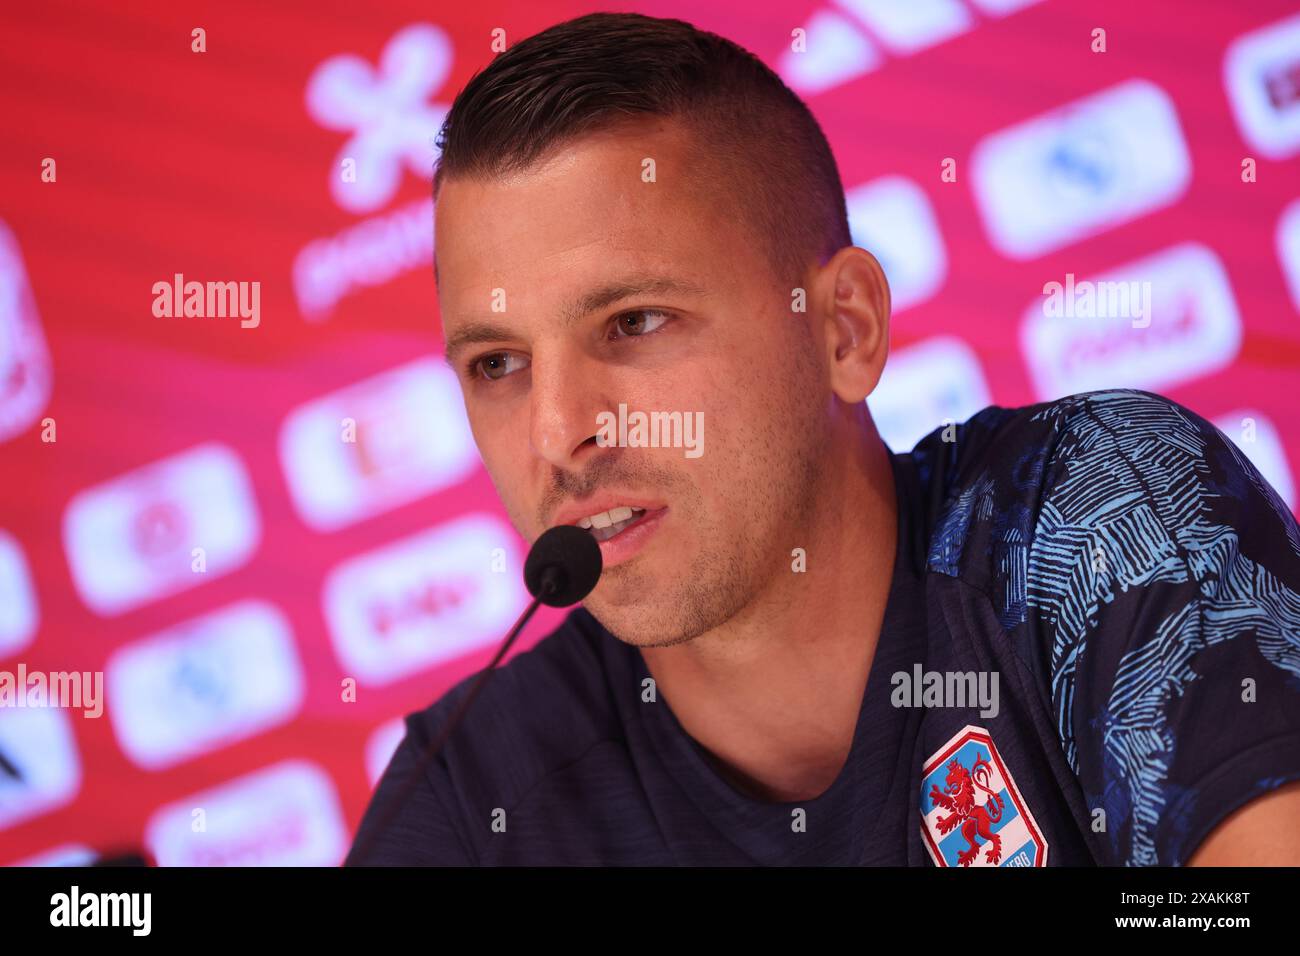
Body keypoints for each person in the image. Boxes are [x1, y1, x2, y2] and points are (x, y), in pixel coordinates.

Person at [346, 11, 1300, 866]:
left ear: (844, 329)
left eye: (634, 323)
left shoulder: (1097, 513)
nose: (558, 435)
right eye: (498, 365)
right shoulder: (475, 800)